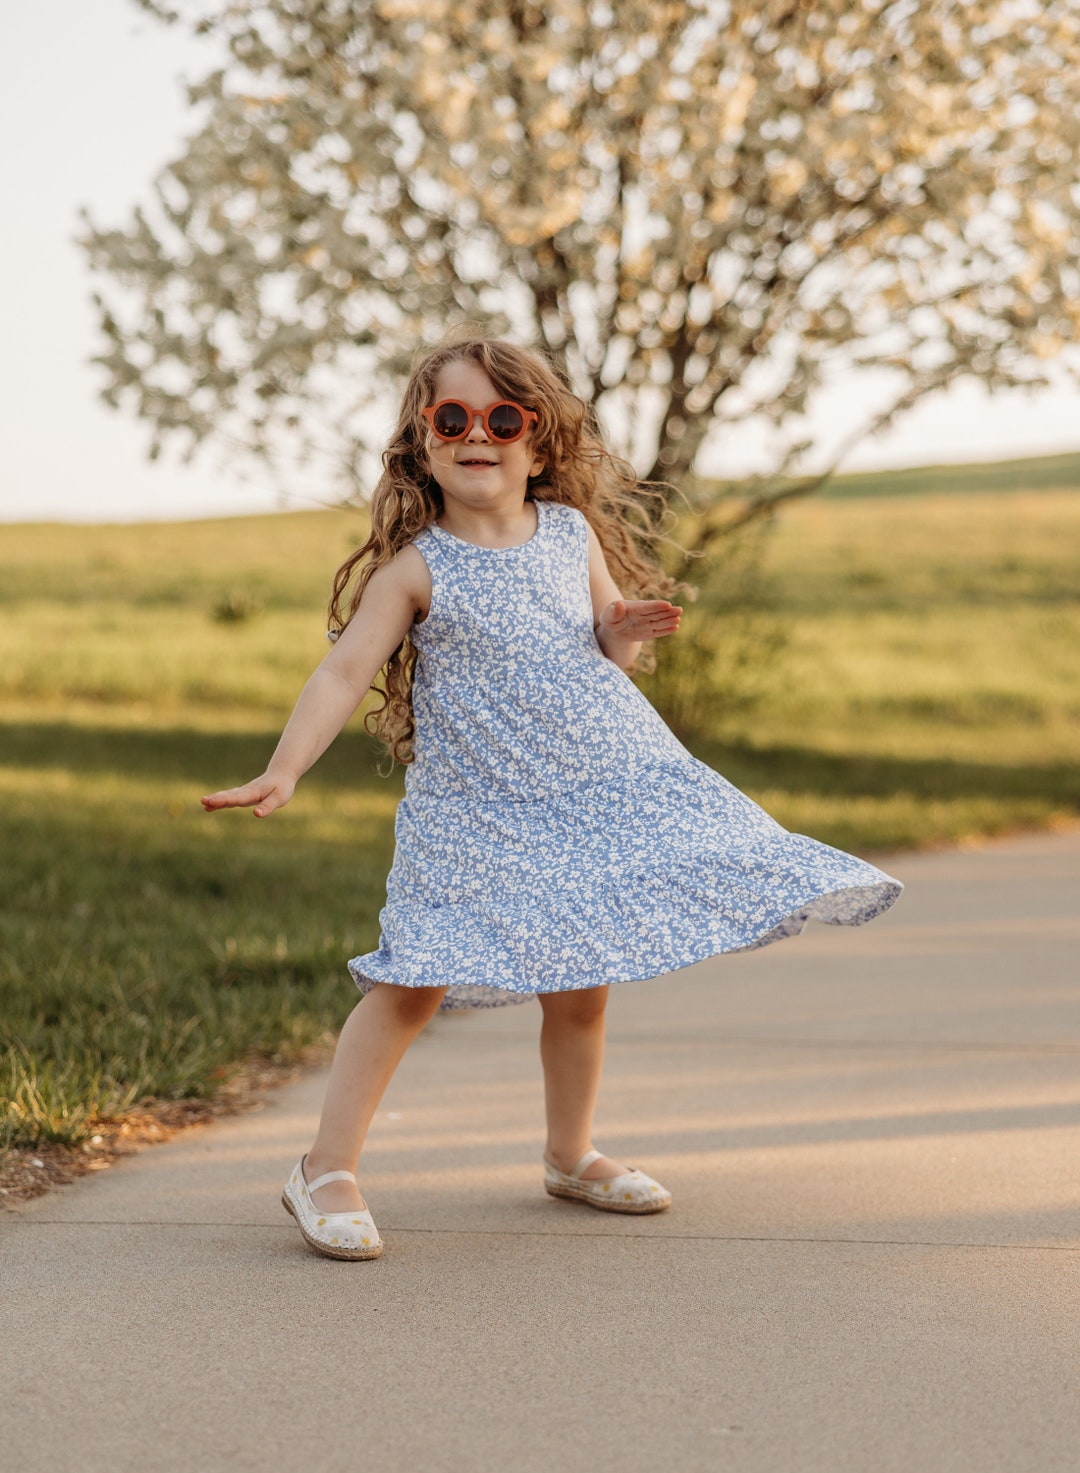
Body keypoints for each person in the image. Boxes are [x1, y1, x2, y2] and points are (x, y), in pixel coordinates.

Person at [202, 330, 902, 1262]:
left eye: (503, 417)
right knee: (411, 983)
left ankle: (570, 1153)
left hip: (594, 792)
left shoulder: (569, 534)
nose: (477, 434)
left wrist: (625, 627)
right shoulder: (418, 567)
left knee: (581, 989)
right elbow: (341, 673)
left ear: (539, 440)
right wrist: (285, 767)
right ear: (421, 437)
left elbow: (607, 641)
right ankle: (324, 1168)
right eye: (452, 418)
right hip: (476, 810)